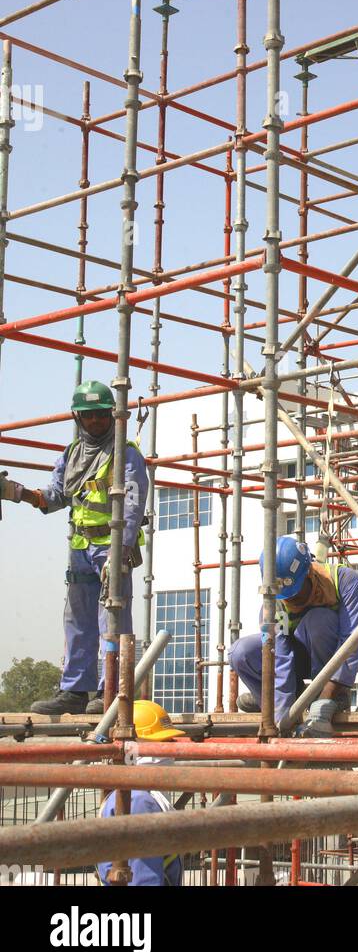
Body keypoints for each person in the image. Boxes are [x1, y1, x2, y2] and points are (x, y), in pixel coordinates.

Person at [0, 380, 149, 717]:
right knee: (78, 622)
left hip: (110, 548)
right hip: (81, 548)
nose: (95, 422)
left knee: (111, 619)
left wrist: (120, 550)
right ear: (78, 418)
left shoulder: (126, 454)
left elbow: (133, 506)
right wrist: (14, 491)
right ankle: (75, 690)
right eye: (87, 416)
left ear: (111, 414)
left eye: (100, 415)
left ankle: (108, 690)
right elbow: (52, 498)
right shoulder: (71, 455)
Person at [229, 535, 358, 736]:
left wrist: (324, 701)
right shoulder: (275, 605)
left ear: (308, 574)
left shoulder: (344, 580)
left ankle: (330, 697)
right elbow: (280, 657)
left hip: (333, 656)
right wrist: (280, 718)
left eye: (295, 592)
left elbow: (351, 641)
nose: (291, 599)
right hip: (298, 657)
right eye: (285, 595)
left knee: (317, 619)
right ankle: (272, 701)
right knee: (240, 652)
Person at [96, 700, 186, 888]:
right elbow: (144, 881)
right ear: (134, 748)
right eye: (162, 742)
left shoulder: (140, 794)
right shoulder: (138, 801)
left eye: (170, 742)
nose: (170, 751)